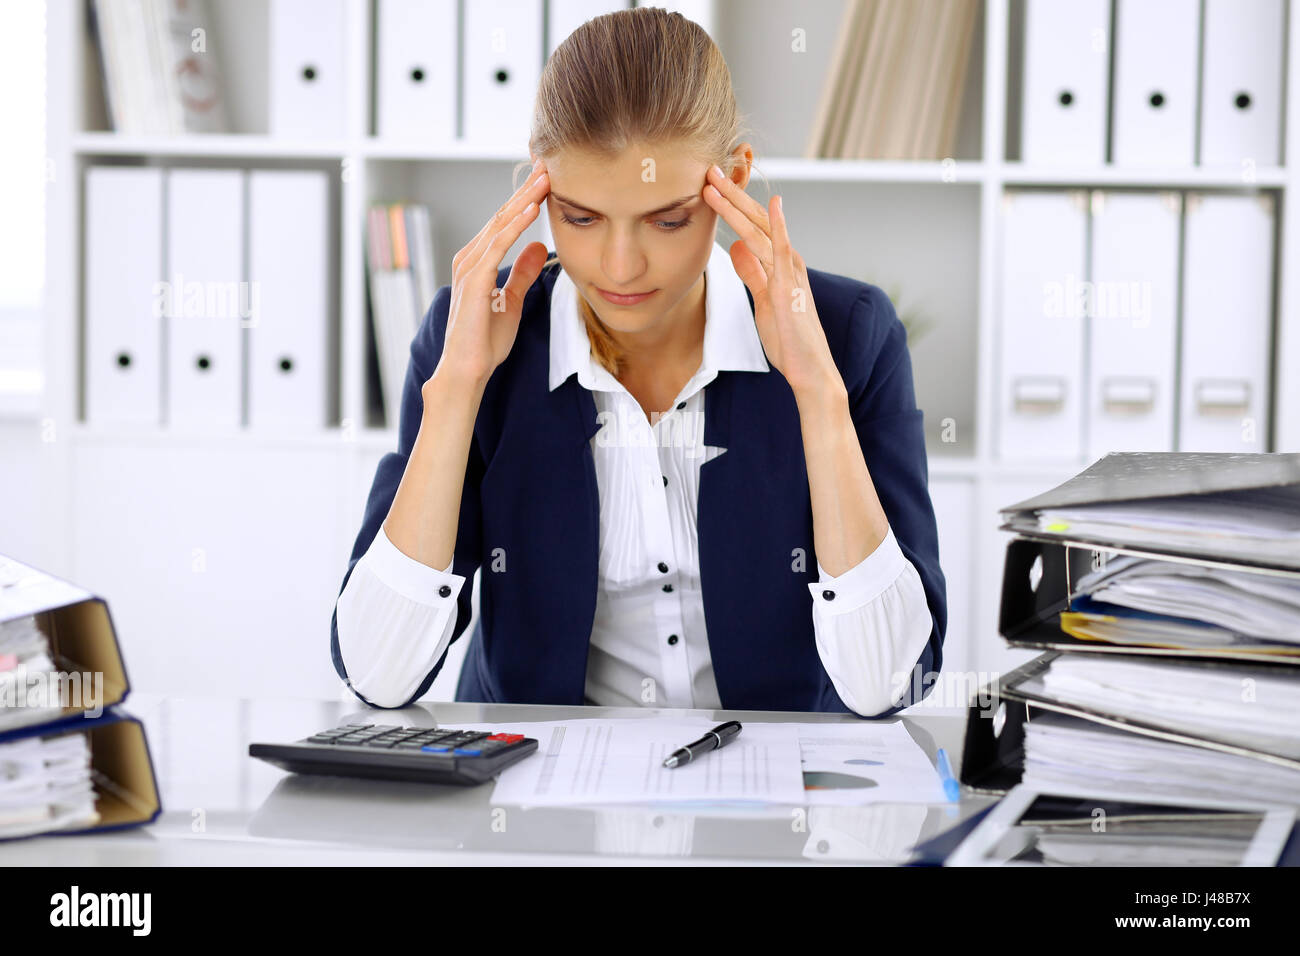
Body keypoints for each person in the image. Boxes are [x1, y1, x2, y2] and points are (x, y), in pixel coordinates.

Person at [330, 7, 946, 717]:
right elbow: (378, 676)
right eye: (581, 217)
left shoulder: (847, 333)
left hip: (777, 804)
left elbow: (891, 687)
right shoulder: (473, 338)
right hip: (536, 804)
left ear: (734, 181)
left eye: (668, 219)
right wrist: (458, 390)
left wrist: (818, 395)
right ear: (538, 188)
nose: (620, 266)